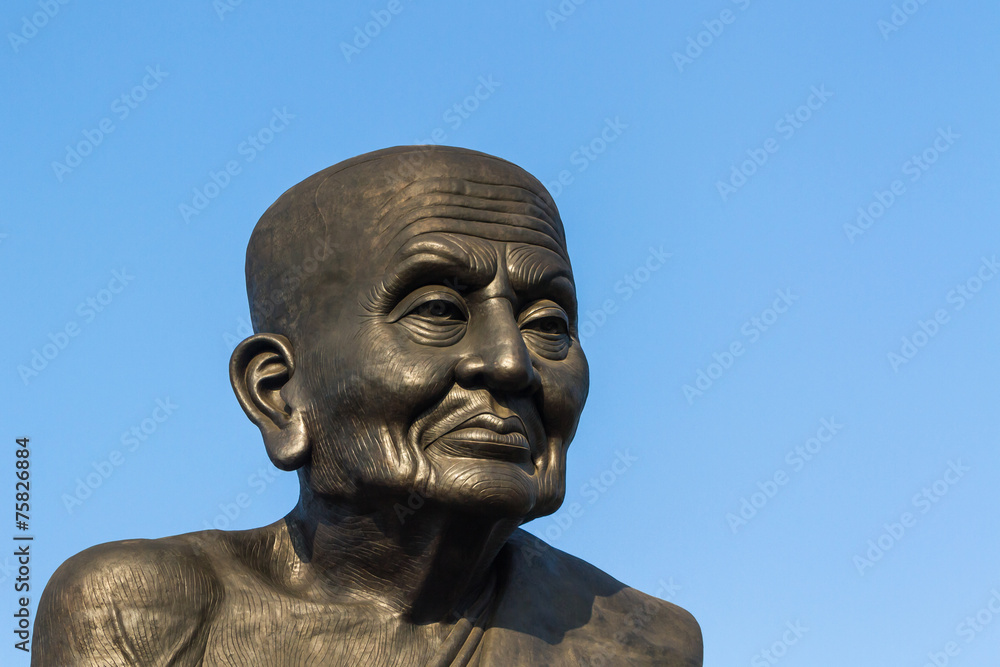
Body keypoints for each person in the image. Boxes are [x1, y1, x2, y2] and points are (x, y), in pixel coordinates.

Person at [34, 146, 702, 666]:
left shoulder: (643, 644)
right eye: (438, 311)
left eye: (548, 324)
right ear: (277, 393)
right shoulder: (141, 612)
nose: (510, 363)